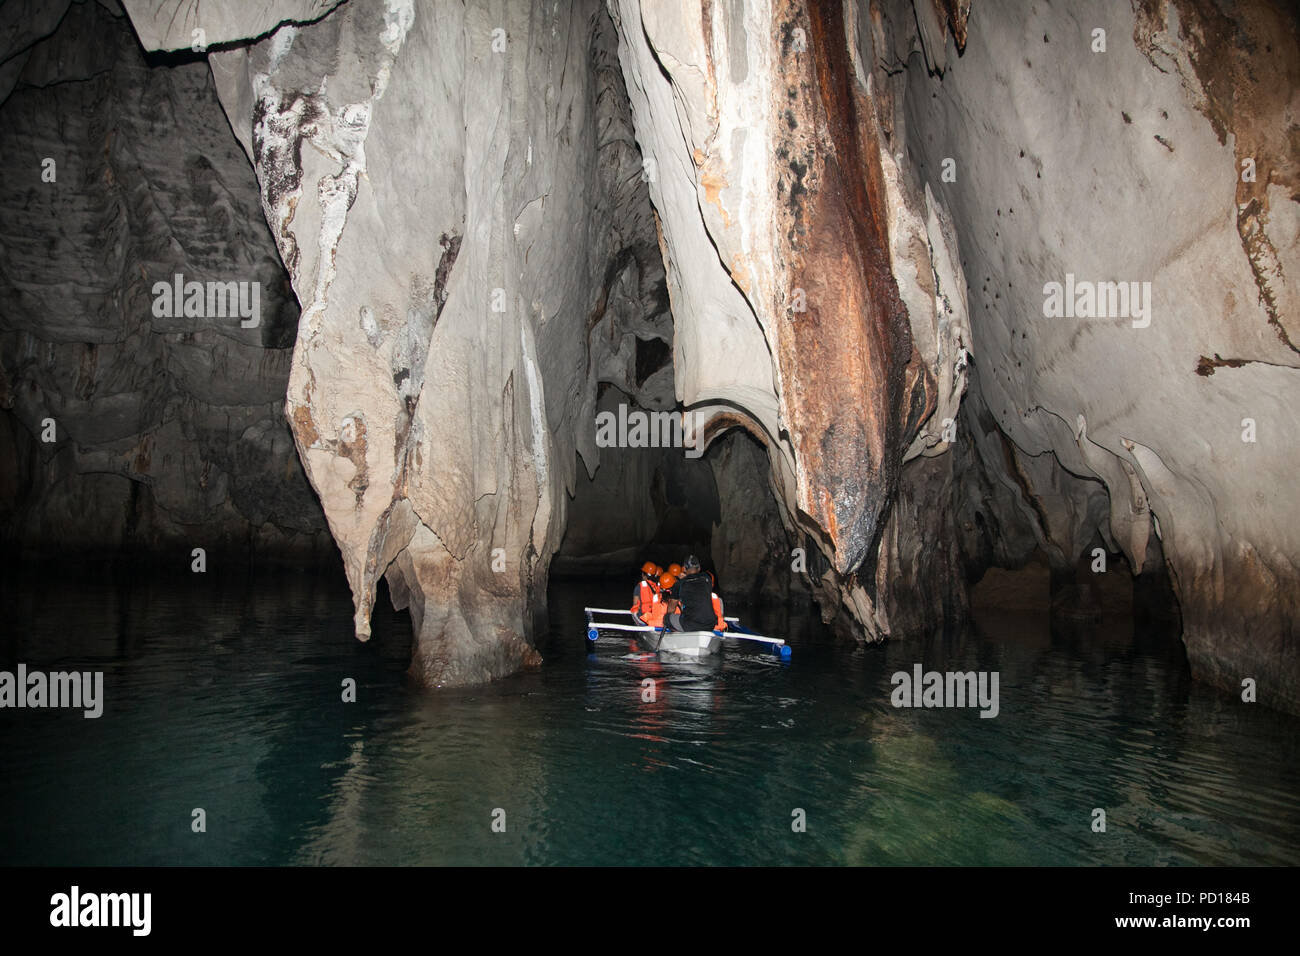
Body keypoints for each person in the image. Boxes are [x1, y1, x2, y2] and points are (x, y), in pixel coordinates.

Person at [665, 555, 717, 632]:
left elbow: (671, 608)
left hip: (690, 625)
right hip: (710, 624)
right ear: (699, 568)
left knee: (667, 617)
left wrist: (681, 579)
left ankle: (676, 634)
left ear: (684, 569)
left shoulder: (679, 584)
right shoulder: (707, 579)